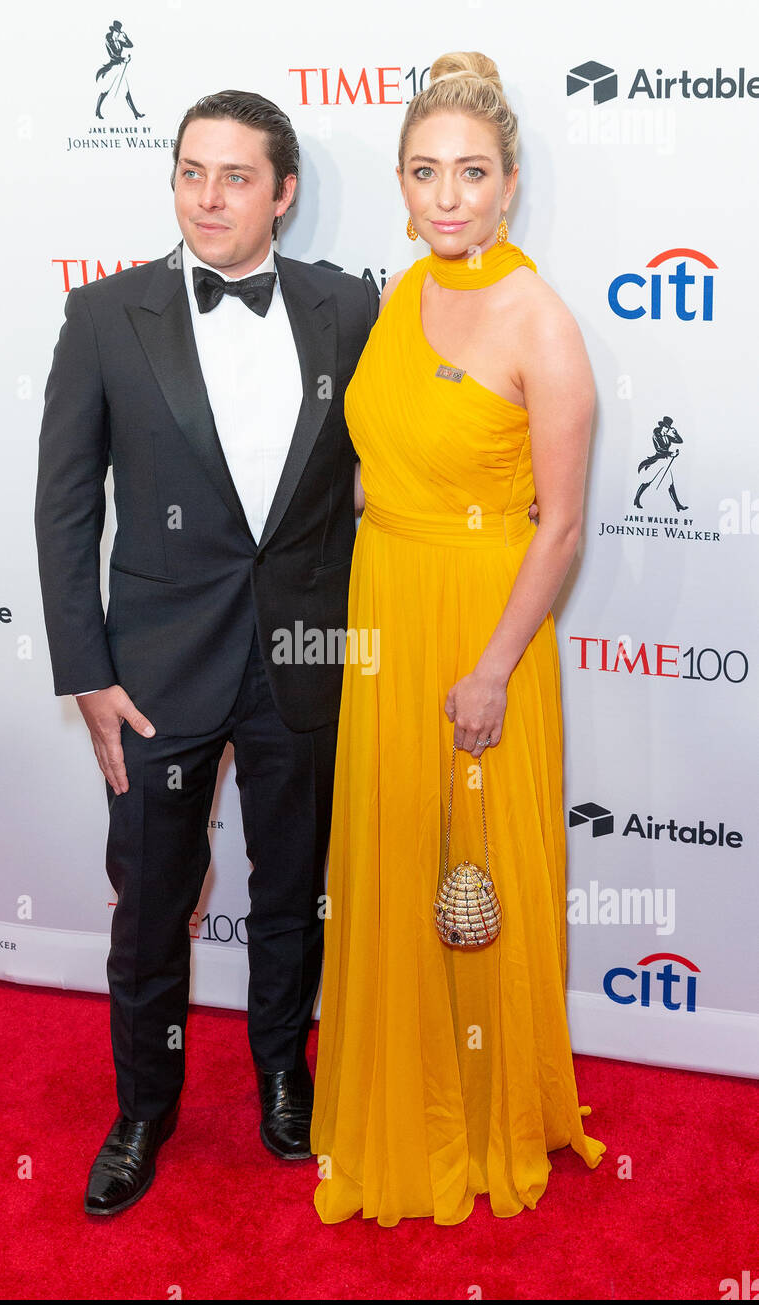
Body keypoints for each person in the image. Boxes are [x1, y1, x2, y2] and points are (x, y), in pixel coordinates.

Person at [35, 89, 378, 1217]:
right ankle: (143, 1108)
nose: (209, 195)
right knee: (149, 906)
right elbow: (66, 509)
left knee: (294, 887)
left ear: (283, 193)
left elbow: (388, 480)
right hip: (153, 671)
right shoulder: (103, 315)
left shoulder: (348, 308)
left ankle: (285, 1076)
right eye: (192, 171)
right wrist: (86, 671)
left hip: (305, 656)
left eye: (236, 176)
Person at [311, 49, 606, 1226]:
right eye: (425, 171)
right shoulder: (398, 293)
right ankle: (397, 1093)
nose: (448, 195)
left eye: (470, 172)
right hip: (384, 599)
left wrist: (489, 667)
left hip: (485, 625)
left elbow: (563, 525)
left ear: (510, 182)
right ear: (398, 181)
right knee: (391, 852)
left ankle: (480, 1114)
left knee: (471, 877)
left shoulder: (540, 318)